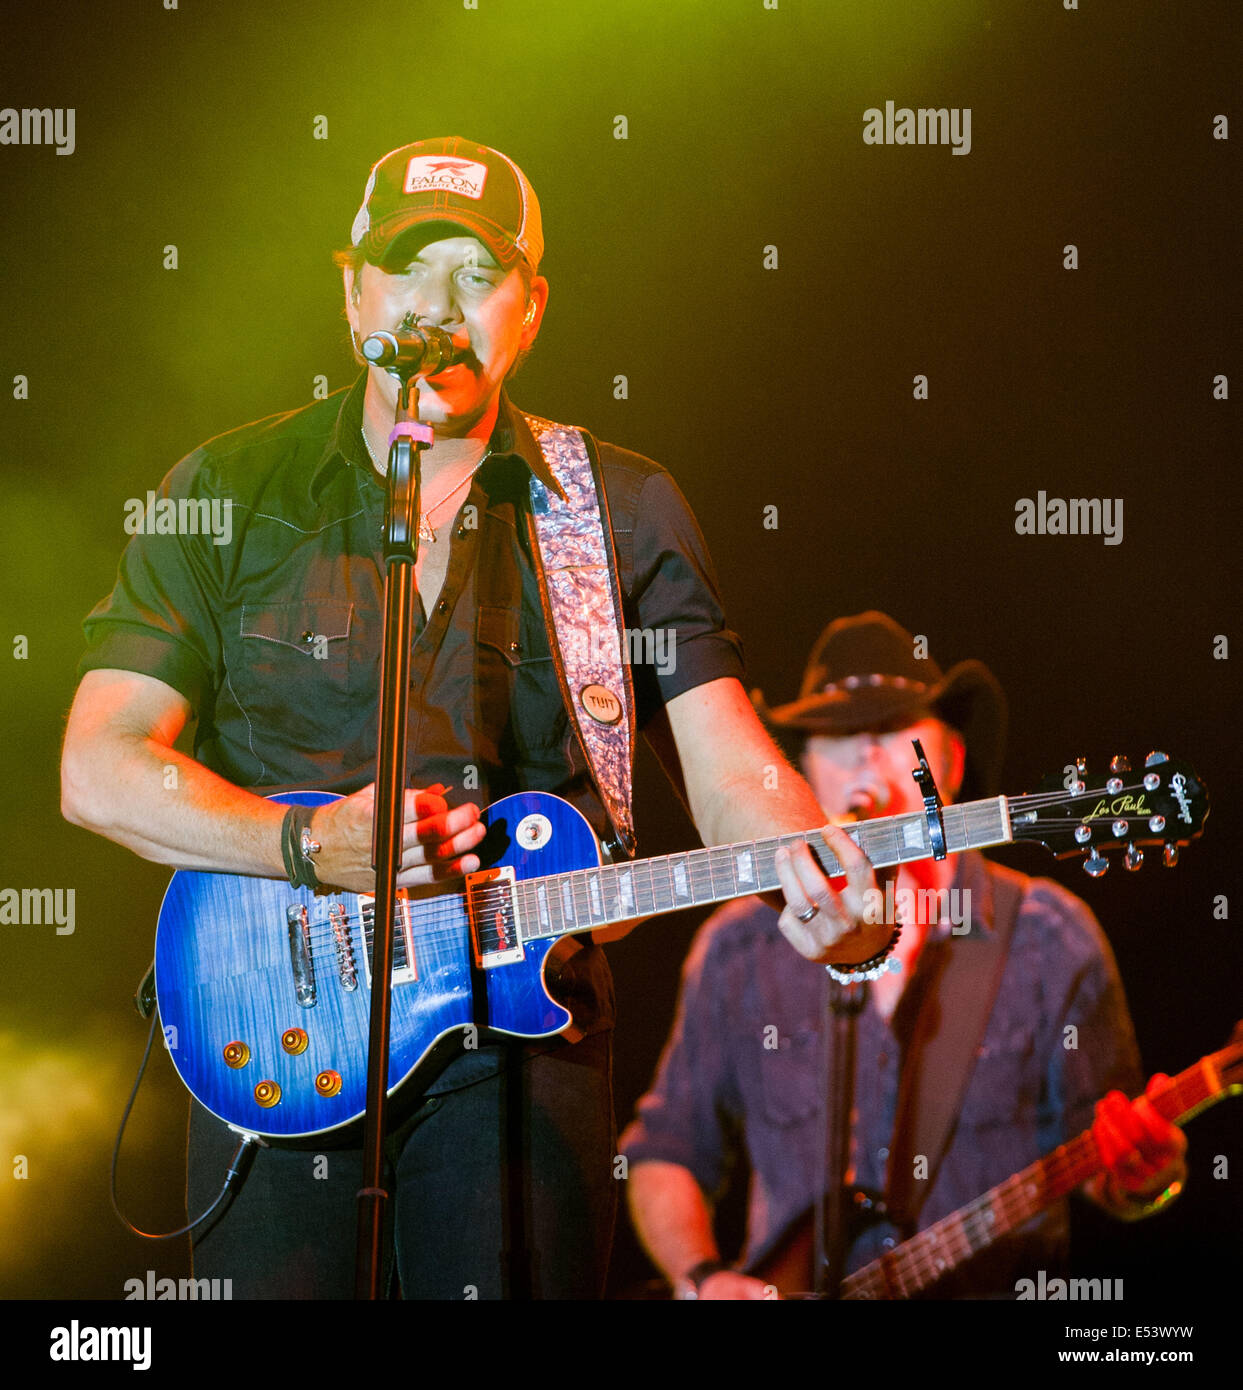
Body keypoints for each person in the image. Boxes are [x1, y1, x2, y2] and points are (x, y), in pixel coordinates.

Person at [59, 137, 894, 1299]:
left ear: (531, 308)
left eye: (475, 275)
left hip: (521, 1048)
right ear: (351, 287)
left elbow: (727, 761)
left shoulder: (619, 507)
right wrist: (302, 845)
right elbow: (96, 766)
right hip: (276, 1040)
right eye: (407, 268)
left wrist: (826, 886)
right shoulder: (227, 493)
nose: (436, 308)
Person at [621, 611, 1188, 1299]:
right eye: (833, 737)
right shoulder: (737, 945)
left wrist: (1143, 1176)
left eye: (890, 730)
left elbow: (1106, 1166)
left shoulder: (1047, 932)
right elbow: (665, 1151)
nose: (862, 756)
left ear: (948, 761)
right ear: (797, 775)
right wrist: (701, 1278)